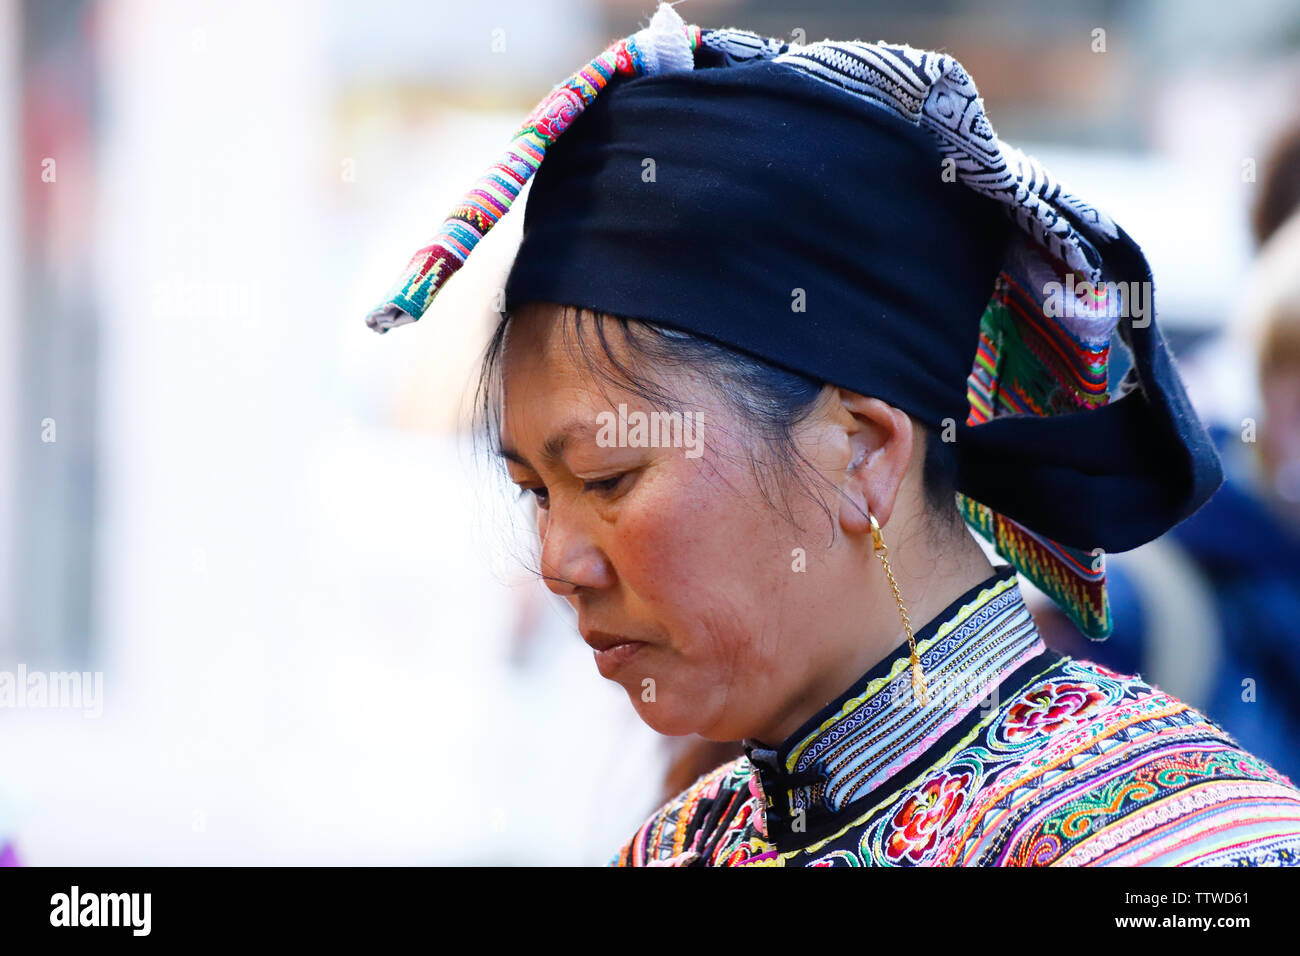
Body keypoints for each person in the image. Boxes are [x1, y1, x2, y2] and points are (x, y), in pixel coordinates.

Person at [363, 3, 1300, 866]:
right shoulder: (683, 844)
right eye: (535, 489)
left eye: (608, 479)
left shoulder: (1182, 849)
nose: (559, 560)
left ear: (859, 451)